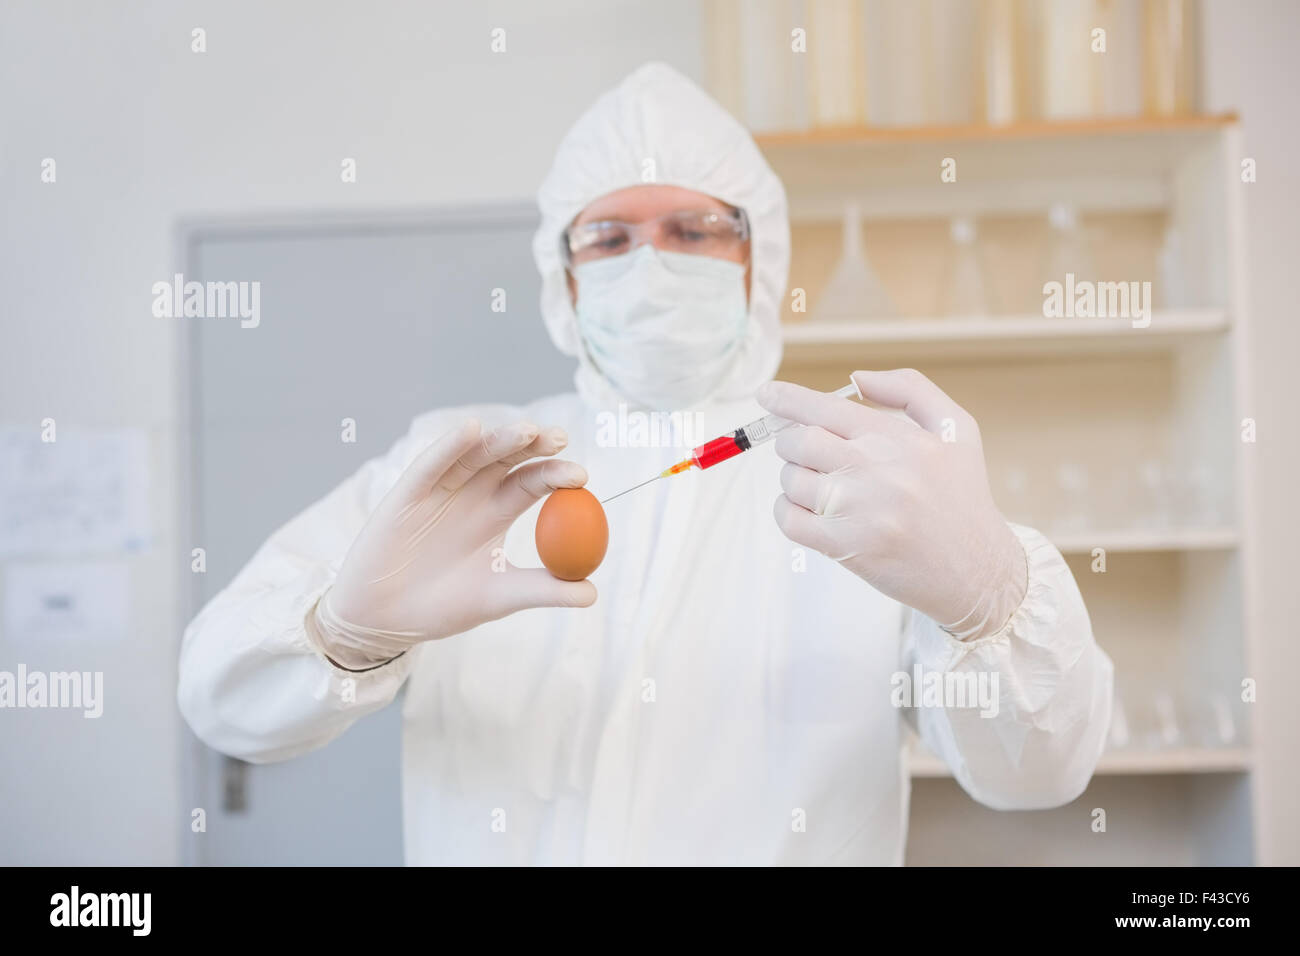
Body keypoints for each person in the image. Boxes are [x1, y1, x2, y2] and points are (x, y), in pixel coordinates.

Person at [178, 62, 1112, 865]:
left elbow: (1038, 774)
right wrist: (344, 631)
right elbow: (223, 700)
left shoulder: (858, 472)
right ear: (565, 275)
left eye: (696, 231)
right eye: (611, 238)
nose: (653, 266)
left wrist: (989, 597)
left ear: (758, 256)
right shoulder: (463, 465)